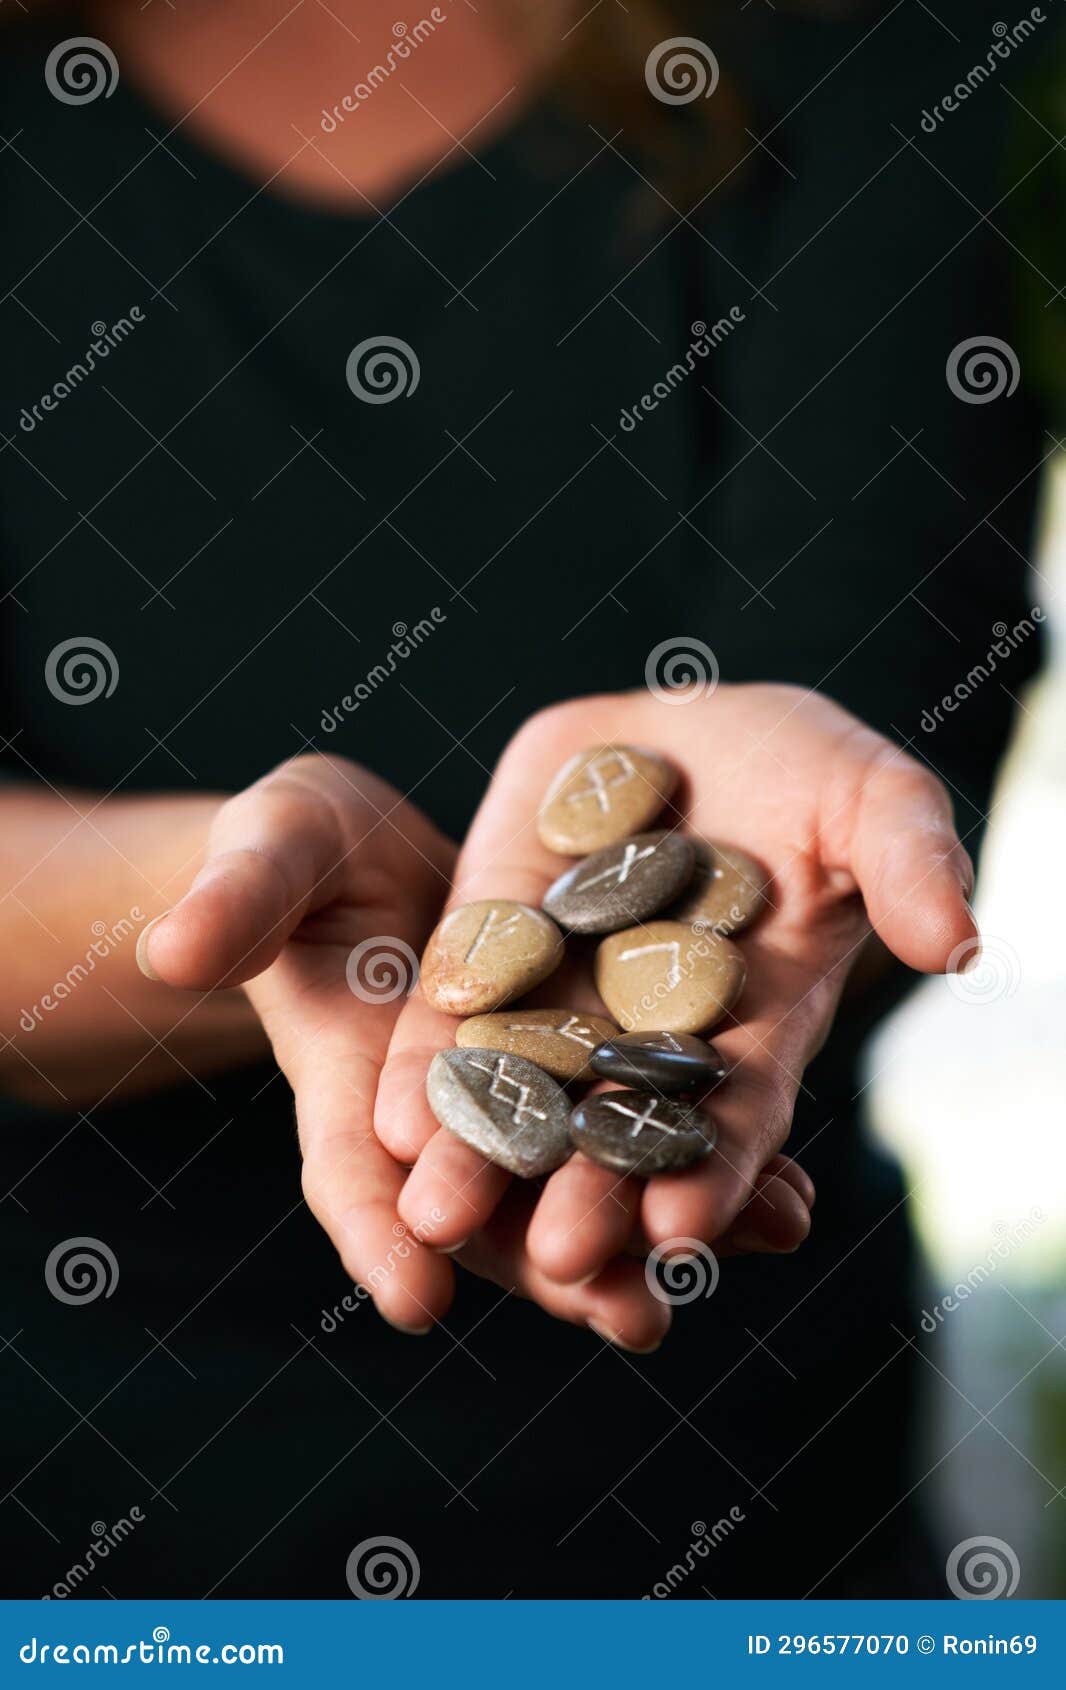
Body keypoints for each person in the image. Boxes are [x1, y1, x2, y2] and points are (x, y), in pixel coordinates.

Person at [1, 0, 1052, 1597]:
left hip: (731, 1501)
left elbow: (884, 696)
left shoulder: (866, 46)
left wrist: (808, 798)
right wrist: (227, 894)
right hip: (75, 1491)